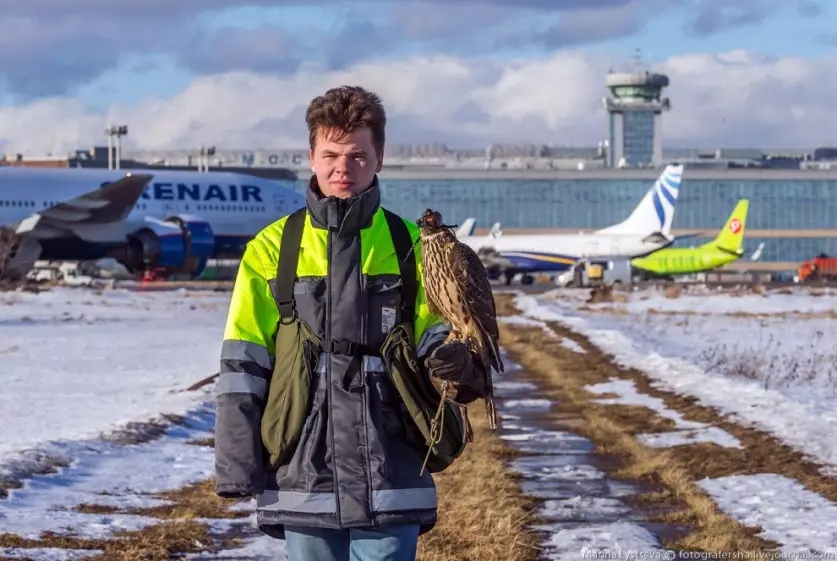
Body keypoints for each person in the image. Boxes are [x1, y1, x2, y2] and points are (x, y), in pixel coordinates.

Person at [214, 85, 490, 561]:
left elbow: (438, 331)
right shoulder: (270, 249)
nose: (343, 168)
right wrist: (238, 464)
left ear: (379, 158)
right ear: (311, 156)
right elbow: (243, 364)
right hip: (302, 469)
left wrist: (457, 366)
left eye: (358, 156)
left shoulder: (410, 245)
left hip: (393, 467)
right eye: (332, 154)